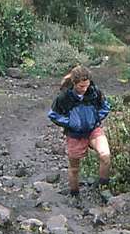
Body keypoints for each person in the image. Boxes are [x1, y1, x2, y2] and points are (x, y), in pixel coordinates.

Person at [47, 65, 111, 199]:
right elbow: (53, 114)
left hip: (93, 130)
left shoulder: (94, 92)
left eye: (86, 85)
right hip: (75, 135)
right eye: (81, 86)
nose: (84, 89)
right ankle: (74, 194)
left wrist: (96, 118)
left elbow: (105, 106)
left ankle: (103, 188)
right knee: (74, 168)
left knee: (105, 156)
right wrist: (70, 123)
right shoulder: (64, 97)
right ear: (74, 83)